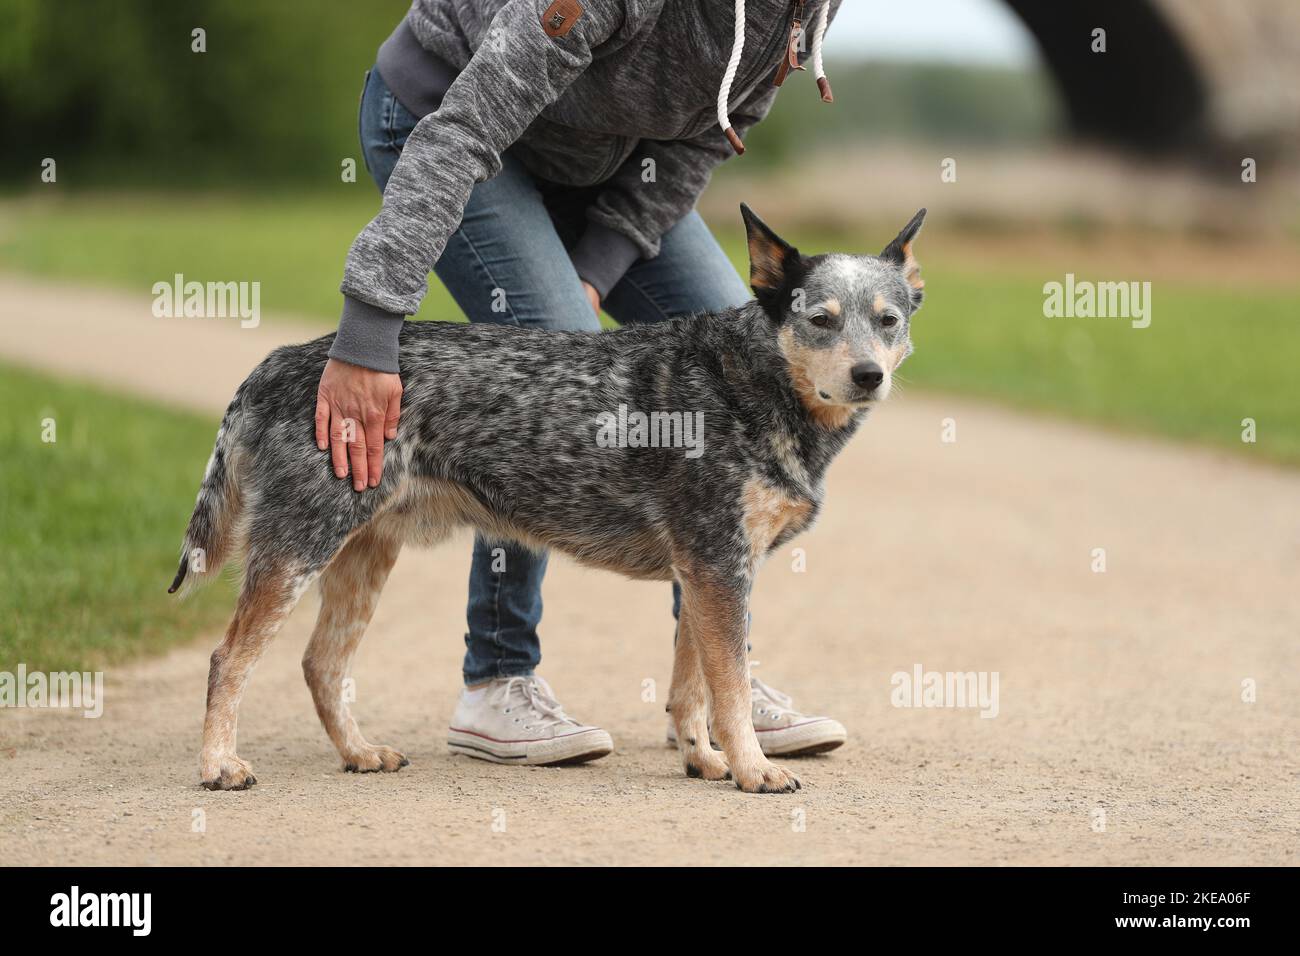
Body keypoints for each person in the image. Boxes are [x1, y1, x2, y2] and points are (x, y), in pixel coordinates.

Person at [317, 0, 848, 765]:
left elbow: (703, 137)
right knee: (555, 357)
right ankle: (497, 681)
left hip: (603, 161)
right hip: (444, 115)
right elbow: (463, 131)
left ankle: (709, 692)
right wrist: (369, 326)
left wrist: (600, 266)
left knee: (741, 351)